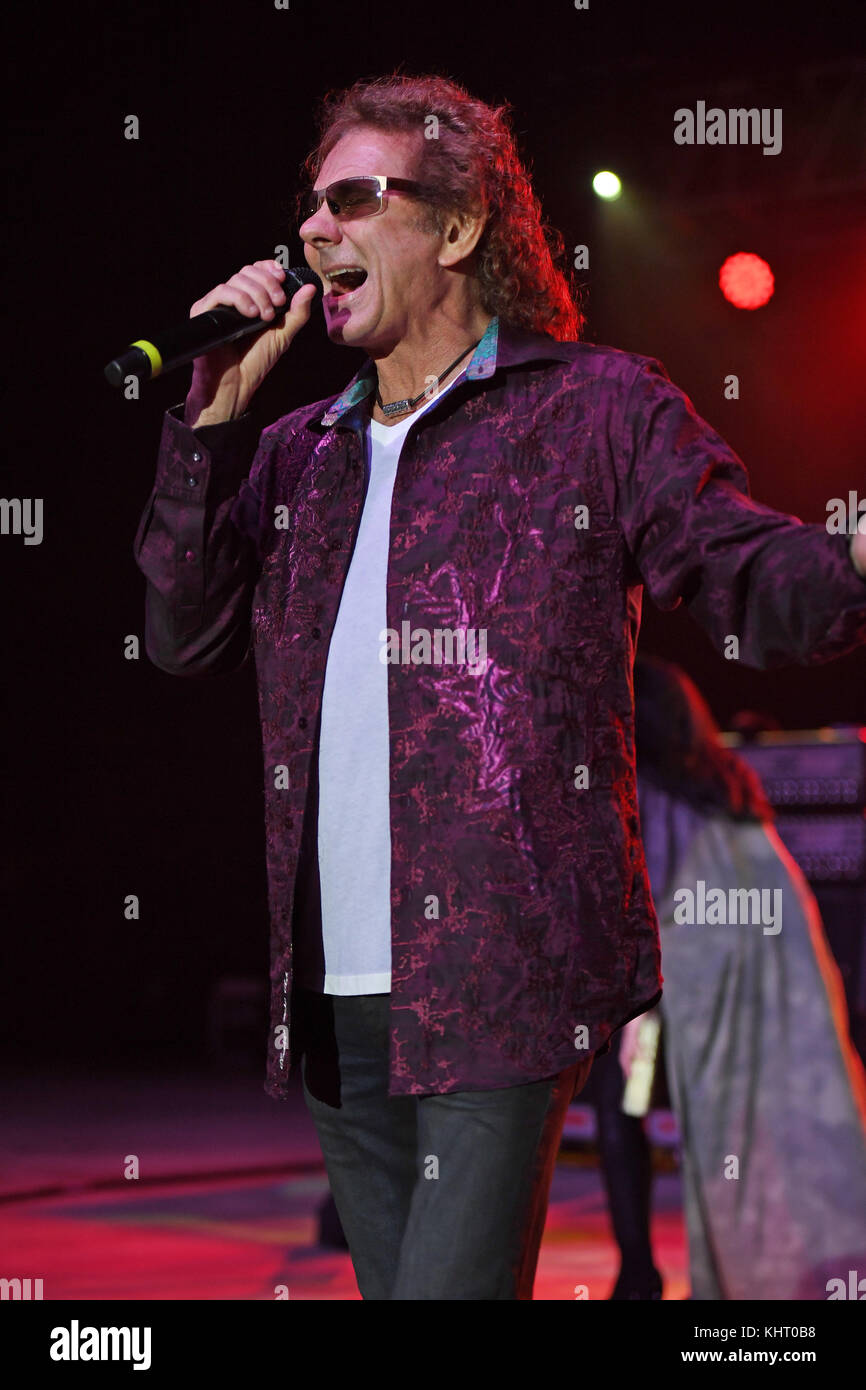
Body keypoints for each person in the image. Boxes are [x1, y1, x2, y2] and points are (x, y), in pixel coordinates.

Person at [133, 71, 866, 1300]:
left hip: (498, 983)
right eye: (311, 205)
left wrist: (847, 553)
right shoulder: (291, 453)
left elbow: (745, 571)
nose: (315, 232)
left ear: (460, 228)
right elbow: (178, 634)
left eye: (356, 198)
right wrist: (204, 424)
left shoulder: (592, 411)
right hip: (331, 999)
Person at [630, 655, 866, 1300]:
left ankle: (654, 1275)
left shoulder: (652, 795)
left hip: (701, 994)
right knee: (794, 1134)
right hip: (792, 998)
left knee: (660, 1115)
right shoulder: (732, 787)